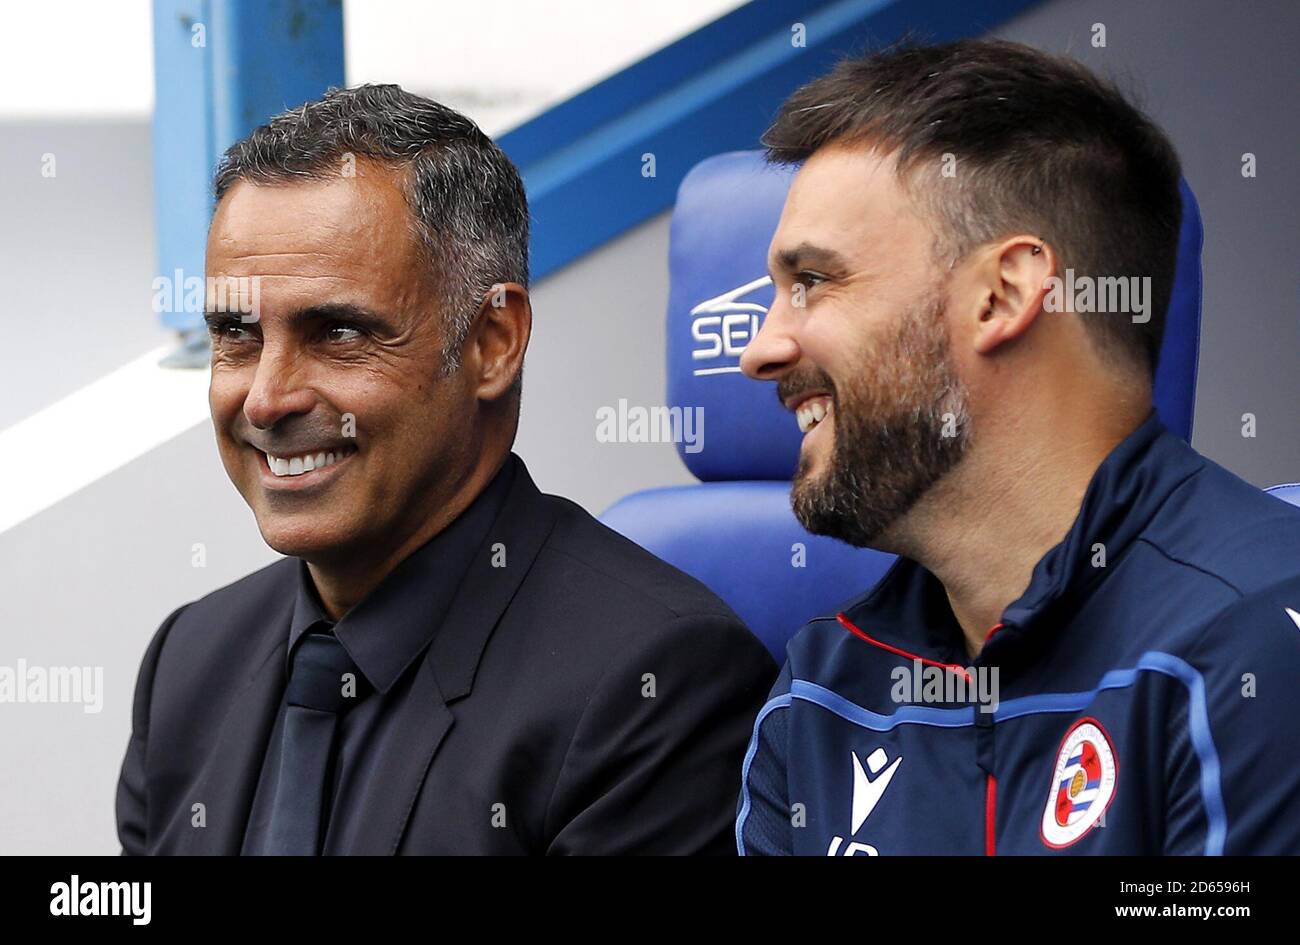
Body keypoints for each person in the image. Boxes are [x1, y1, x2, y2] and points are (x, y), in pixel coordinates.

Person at [116, 84, 775, 855]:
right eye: (237, 334)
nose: (266, 398)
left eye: (337, 332)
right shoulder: (190, 662)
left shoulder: (654, 683)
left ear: (493, 341)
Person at [735, 40, 1300, 855]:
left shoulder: (1252, 649)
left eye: (812, 282)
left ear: (1001, 295)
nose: (759, 350)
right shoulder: (824, 690)